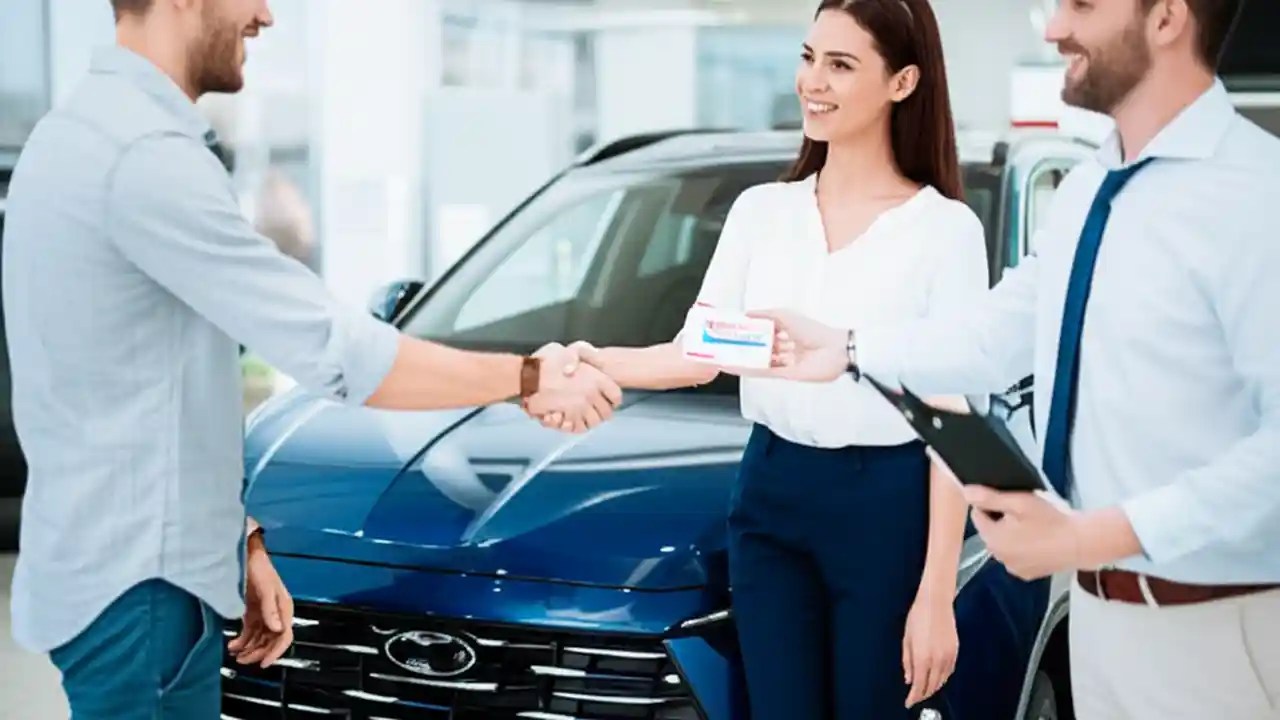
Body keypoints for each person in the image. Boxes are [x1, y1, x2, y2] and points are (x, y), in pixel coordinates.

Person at [0, 0, 619, 717]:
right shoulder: (142, 154)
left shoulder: (75, 132)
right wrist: (527, 377)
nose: (264, 15)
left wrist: (240, 541)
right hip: (143, 592)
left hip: (125, 570)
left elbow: (128, 392)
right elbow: (337, 351)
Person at [755, 0, 1280, 717]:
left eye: (1082, 6)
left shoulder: (1256, 196)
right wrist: (847, 349)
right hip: (1099, 617)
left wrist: (1089, 534)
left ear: (1166, 20)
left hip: (1218, 627)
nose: (1054, 26)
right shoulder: (1095, 187)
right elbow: (993, 336)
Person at [536, 1, 986, 716]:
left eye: (841, 65)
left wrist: (937, 594)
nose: (814, 81)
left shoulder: (944, 232)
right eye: (809, 58)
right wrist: (597, 359)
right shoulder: (762, 213)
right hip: (772, 489)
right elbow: (699, 355)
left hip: (886, 503)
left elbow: (951, 416)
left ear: (903, 82)